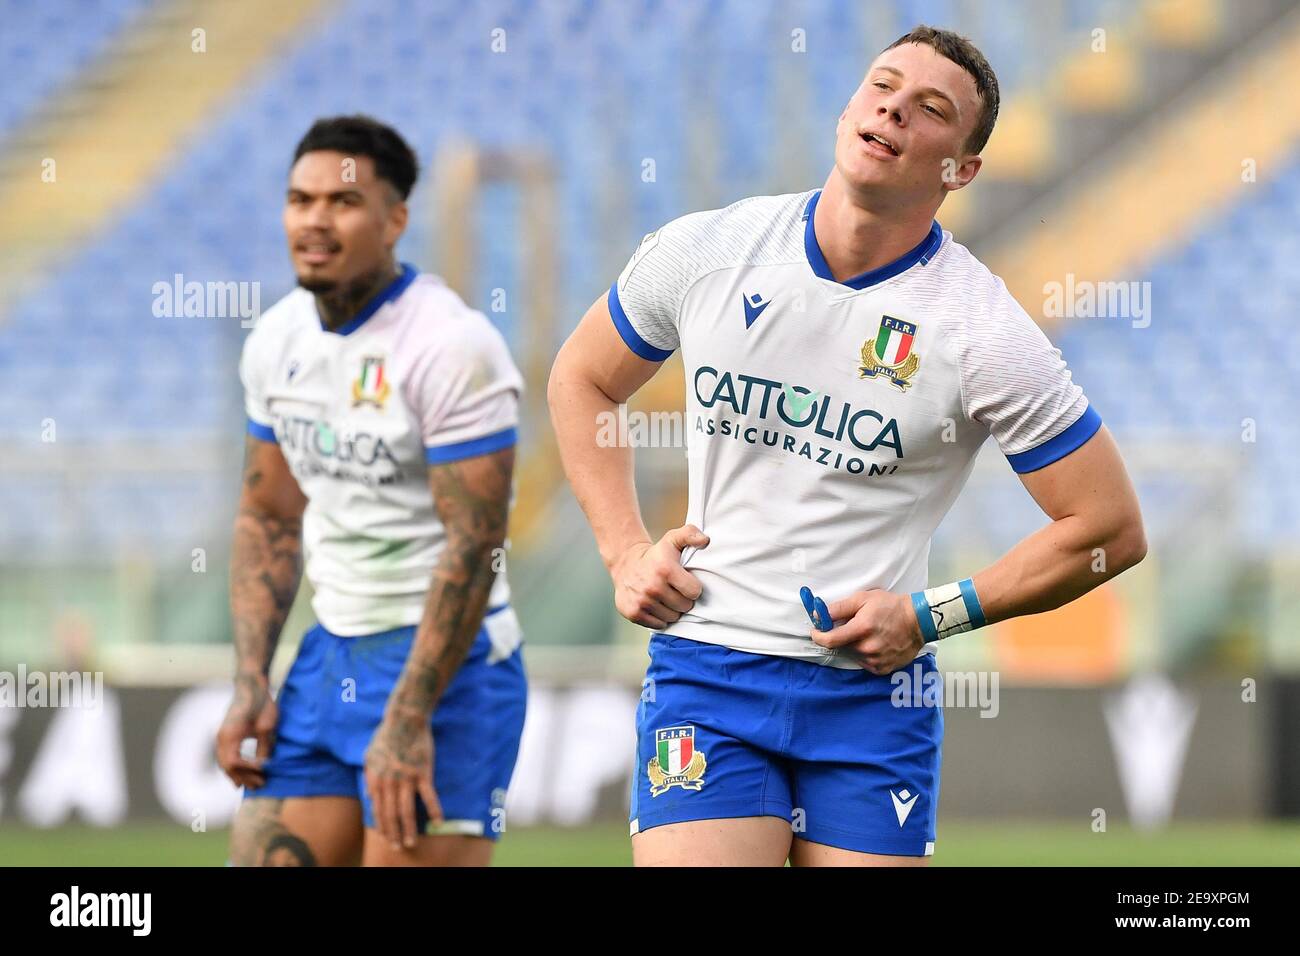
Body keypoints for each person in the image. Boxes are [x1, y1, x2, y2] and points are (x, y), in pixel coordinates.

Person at [548, 26, 1146, 866]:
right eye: (882, 87)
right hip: (708, 669)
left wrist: (935, 615)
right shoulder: (710, 249)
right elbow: (581, 379)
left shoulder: (983, 331)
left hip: (873, 697)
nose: (895, 108)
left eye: (931, 108)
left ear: (960, 170)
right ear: (847, 111)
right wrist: (622, 552)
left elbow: (1110, 528)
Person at [217, 115, 526, 866]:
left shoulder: (451, 347)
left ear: (395, 220)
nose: (316, 220)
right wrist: (252, 678)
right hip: (326, 658)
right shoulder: (275, 341)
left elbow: (473, 542)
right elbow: (269, 516)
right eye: (300, 199)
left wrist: (411, 714)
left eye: (343, 203)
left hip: (445, 670)